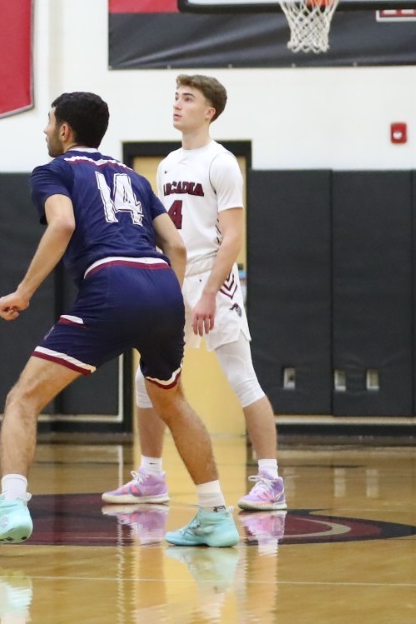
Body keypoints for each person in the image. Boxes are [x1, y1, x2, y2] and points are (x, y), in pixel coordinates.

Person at [0, 92, 238, 549]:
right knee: (173, 402)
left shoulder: (54, 170)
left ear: (65, 131)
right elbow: (178, 248)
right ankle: (214, 515)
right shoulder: (134, 178)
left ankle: (10, 506)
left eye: (49, 123)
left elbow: (62, 225)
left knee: (22, 398)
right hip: (164, 285)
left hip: (111, 283)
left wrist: (24, 291)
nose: (45, 130)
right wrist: (173, 300)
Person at [107, 74, 286, 514]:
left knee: (242, 378)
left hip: (214, 279)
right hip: (174, 278)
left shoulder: (221, 163)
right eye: (175, 97)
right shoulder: (167, 165)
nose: (177, 105)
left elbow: (233, 238)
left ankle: (271, 480)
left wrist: (207, 294)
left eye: (187, 99)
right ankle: (151, 476)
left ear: (209, 112)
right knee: (146, 380)